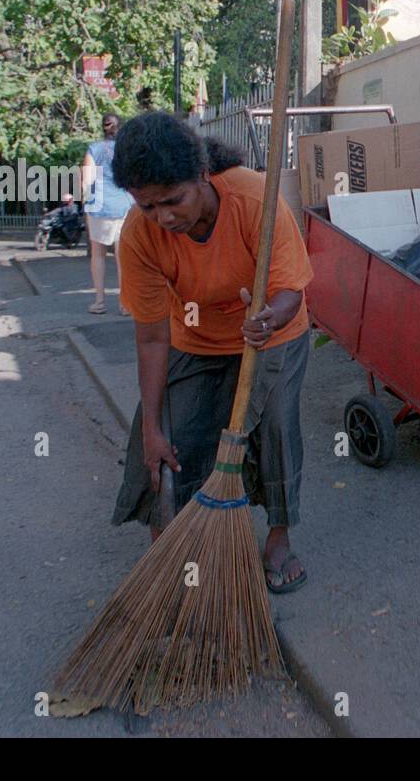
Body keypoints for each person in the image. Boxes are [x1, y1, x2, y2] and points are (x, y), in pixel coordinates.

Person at [110, 111, 311, 594]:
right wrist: (155, 428)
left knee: (276, 425)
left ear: (201, 175)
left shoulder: (253, 198)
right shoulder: (138, 237)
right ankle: (170, 543)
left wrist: (268, 318)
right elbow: (152, 338)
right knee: (161, 437)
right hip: (195, 339)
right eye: (148, 206)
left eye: (172, 201)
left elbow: (290, 291)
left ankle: (278, 538)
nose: (164, 218)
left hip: (272, 333)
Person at [81, 113, 135, 315]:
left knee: (98, 254)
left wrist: (86, 203)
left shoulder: (93, 149)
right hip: (126, 206)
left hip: (99, 205)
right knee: (124, 257)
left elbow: (87, 182)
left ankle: (99, 301)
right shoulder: (128, 151)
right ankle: (124, 304)